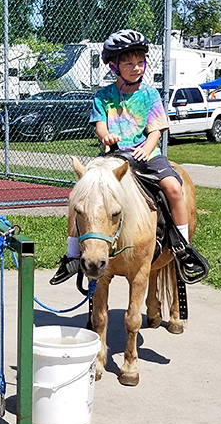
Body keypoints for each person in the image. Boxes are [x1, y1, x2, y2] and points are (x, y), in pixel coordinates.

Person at [50, 29, 189, 284]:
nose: (136, 68)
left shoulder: (150, 94)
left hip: (146, 154)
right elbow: (101, 125)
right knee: (77, 196)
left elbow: (156, 128)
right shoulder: (104, 96)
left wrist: (148, 147)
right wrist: (106, 137)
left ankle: (183, 247)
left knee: (173, 188)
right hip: (113, 157)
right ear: (115, 66)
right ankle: (72, 255)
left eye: (140, 62)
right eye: (128, 63)